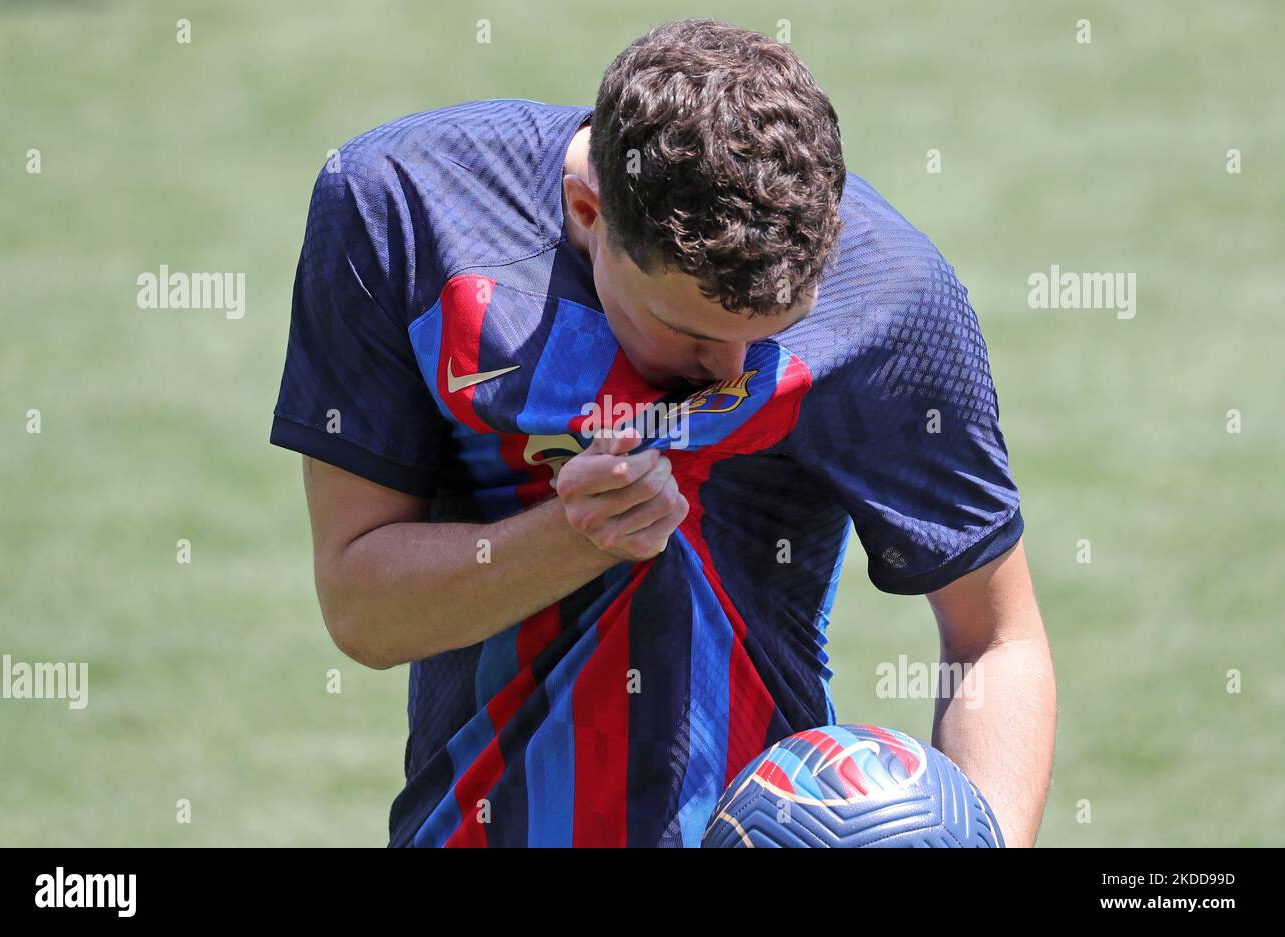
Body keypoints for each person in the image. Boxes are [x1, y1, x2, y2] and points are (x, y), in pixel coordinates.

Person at [271, 18, 1055, 847]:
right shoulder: (401, 206)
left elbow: (997, 636)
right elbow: (361, 610)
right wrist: (577, 538)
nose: (731, 368)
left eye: (771, 331)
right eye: (689, 332)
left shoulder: (892, 297)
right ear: (589, 211)